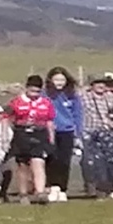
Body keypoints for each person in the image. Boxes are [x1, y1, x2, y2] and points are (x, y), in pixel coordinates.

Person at [8, 75, 56, 202]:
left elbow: (49, 122)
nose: (35, 94)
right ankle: (23, 194)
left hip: (40, 133)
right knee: (23, 165)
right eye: (32, 91)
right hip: (21, 133)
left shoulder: (46, 103)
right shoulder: (16, 102)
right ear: (27, 88)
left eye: (38, 92)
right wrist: (6, 137)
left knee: (38, 162)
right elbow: (7, 119)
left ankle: (40, 192)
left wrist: (51, 139)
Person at [44, 67, 82, 198]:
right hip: (50, 131)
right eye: (56, 79)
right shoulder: (46, 95)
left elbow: (77, 115)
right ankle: (51, 187)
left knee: (65, 161)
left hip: (67, 131)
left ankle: (62, 188)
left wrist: (78, 133)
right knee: (52, 159)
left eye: (62, 79)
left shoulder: (72, 95)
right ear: (51, 80)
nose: (59, 82)